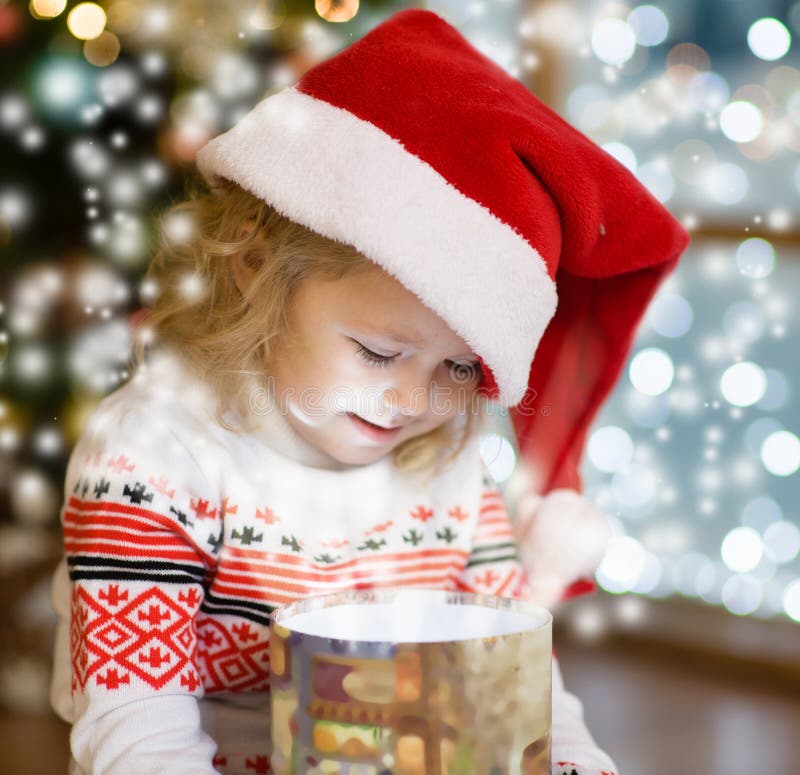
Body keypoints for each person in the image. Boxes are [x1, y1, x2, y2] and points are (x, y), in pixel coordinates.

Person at [49, 8, 689, 774]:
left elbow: (520, 679)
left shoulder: (447, 469)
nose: (413, 402)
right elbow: (136, 729)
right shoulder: (150, 456)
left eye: (460, 369)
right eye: (379, 351)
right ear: (256, 269)